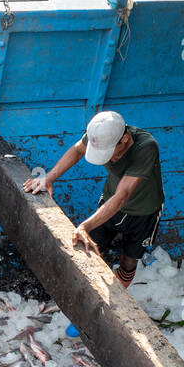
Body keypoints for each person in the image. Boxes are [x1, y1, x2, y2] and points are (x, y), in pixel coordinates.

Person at [22, 111, 165, 291]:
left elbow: (122, 196)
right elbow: (77, 150)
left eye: (113, 153)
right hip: (109, 202)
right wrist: (49, 177)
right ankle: (83, 296)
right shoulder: (100, 134)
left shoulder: (146, 147)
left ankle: (118, 300)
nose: (112, 159)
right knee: (89, 248)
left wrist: (84, 226)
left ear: (126, 139)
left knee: (129, 260)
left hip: (144, 211)